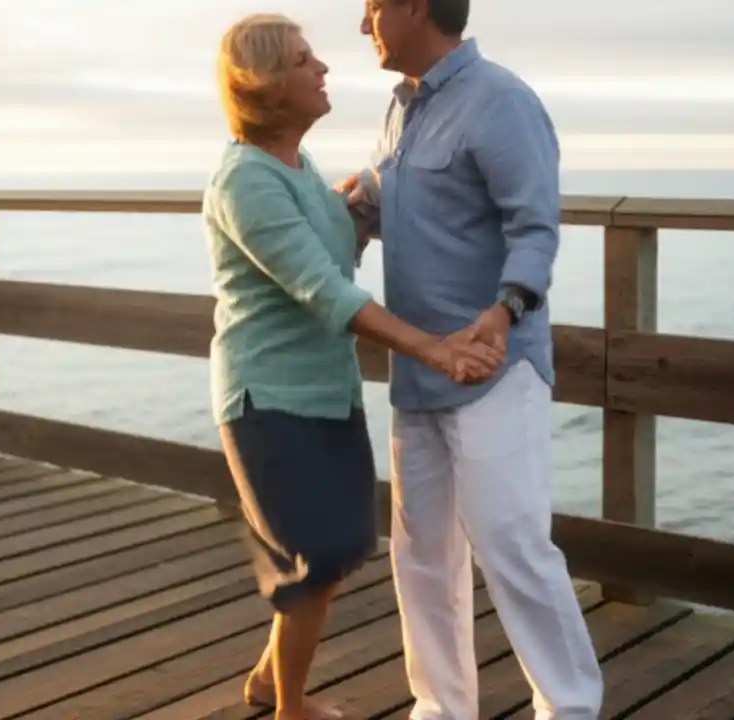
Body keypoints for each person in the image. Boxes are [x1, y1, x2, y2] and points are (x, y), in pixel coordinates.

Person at [203, 13, 504, 720]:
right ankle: (291, 707)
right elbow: (325, 289)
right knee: (319, 551)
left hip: (325, 394)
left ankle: (271, 678)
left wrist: (366, 206)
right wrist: (433, 346)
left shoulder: (296, 168)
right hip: (267, 400)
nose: (323, 69)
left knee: (336, 547)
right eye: (305, 61)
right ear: (269, 86)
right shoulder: (243, 182)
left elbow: (337, 240)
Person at [342, 1, 604, 717]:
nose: (362, 27)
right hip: (419, 372)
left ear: (416, 7)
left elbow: (535, 228)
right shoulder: (401, 110)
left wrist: (504, 310)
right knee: (422, 553)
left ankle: (571, 708)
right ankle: (440, 707)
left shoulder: (503, 102)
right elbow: (413, 197)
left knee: (513, 548)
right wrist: (364, 199)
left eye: (370, 9)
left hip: (496, 370)